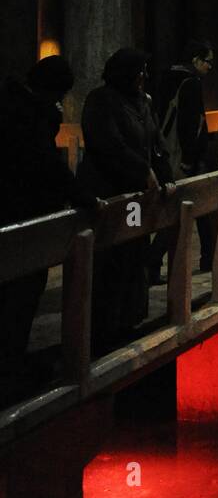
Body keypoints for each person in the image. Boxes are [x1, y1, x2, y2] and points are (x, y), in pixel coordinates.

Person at [0, 56, 96, 386]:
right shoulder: (31, 117)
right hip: (25, 213)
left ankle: (12, 362)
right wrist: (84, 198)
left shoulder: (15, 106)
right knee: (22, 294)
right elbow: (46, 164)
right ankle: (11, 366)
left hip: (17, 212)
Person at [77, 49, 174, 353]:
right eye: (138, 71)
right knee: (110, 261)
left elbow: (155, 141)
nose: (143, 76)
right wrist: (141, 170)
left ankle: (128, 319)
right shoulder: (101, 100)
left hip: (139, 197)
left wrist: (166, 175)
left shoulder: (142, 103)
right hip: (110, 192)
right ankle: (102, 330)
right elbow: (108, 144)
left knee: (134, 256)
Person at [150, 39, 216, 279]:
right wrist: (190, 158)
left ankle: (210, 255)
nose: (210, 67)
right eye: (208, 61)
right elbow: (191, 125)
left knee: (201, 203)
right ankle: (153, 258)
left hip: (168, 152)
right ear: (196, 60)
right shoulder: (191, 83)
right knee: (184, 207)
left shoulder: (166, 78)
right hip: (184, 155)